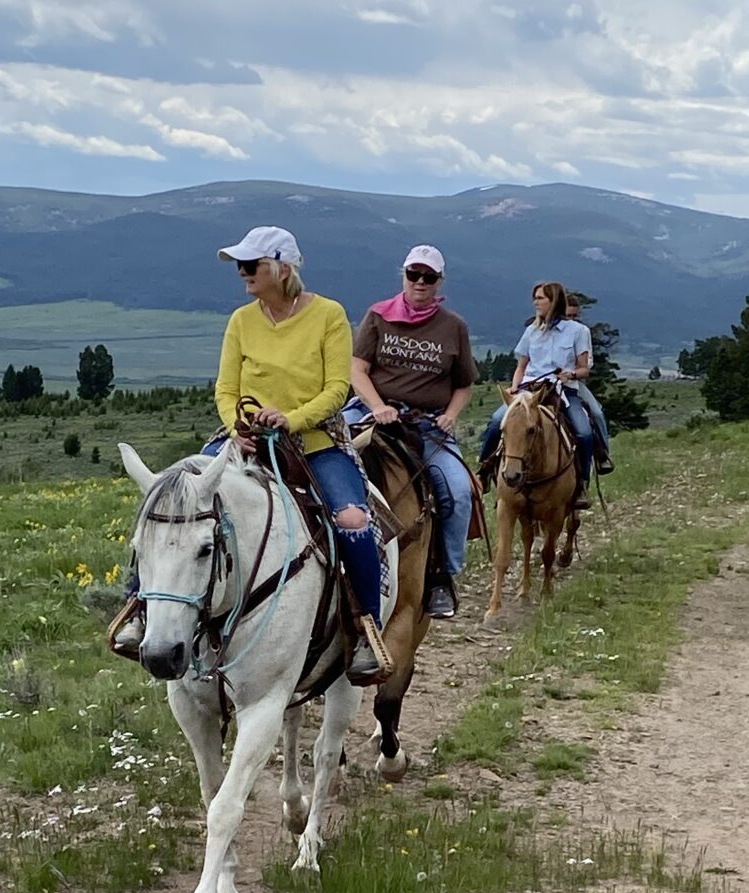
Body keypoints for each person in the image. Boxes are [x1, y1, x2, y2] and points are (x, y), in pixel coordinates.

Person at [114, 225, 392, 683]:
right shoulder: (241, 321)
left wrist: (292, 418)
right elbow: (226, 389)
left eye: (251, 265)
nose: (242, 273)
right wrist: (236, 427)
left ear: (282, 269)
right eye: (240, 265)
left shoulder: (328, 315)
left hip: (315, 443)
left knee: (352, 521)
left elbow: (337, 389)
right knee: (171, 498)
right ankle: (139, 607)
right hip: (243, 440)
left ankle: (366, 628)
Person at [343, 244, 477, 619]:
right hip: (373, 412)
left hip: (427, 422)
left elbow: (464, 383)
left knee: (458, 492)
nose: (419, 282)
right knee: (318, 463)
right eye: (413, 274)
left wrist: (451, 414)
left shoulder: (454, 327)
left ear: (439, 281)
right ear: (403, 275)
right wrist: (377, 406)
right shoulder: (377, 316)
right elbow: (357, 369)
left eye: (428, 277)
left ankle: (441, 576)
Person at [477, 281, 608, 499]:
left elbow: (584, 368)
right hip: (529, 390)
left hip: (563, 390)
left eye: (540, 298)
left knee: (584, 432)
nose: (535, 302)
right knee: (495, 422)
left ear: (553, 301)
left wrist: (571, 374)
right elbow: (521, 366)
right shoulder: (532, 331)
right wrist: (514, 387)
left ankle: (581, 485)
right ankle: (484, 469)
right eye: (535, 298)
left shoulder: (578, 331)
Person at [563, 296, 615, 475]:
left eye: (574, 316)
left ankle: (603, 454)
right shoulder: (546, 331)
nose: (571, 320)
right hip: (547, 382)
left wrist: (572, 373)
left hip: (572, 381)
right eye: (567, 316)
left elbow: (588, 362)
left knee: (597, 413)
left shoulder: (582, 332)